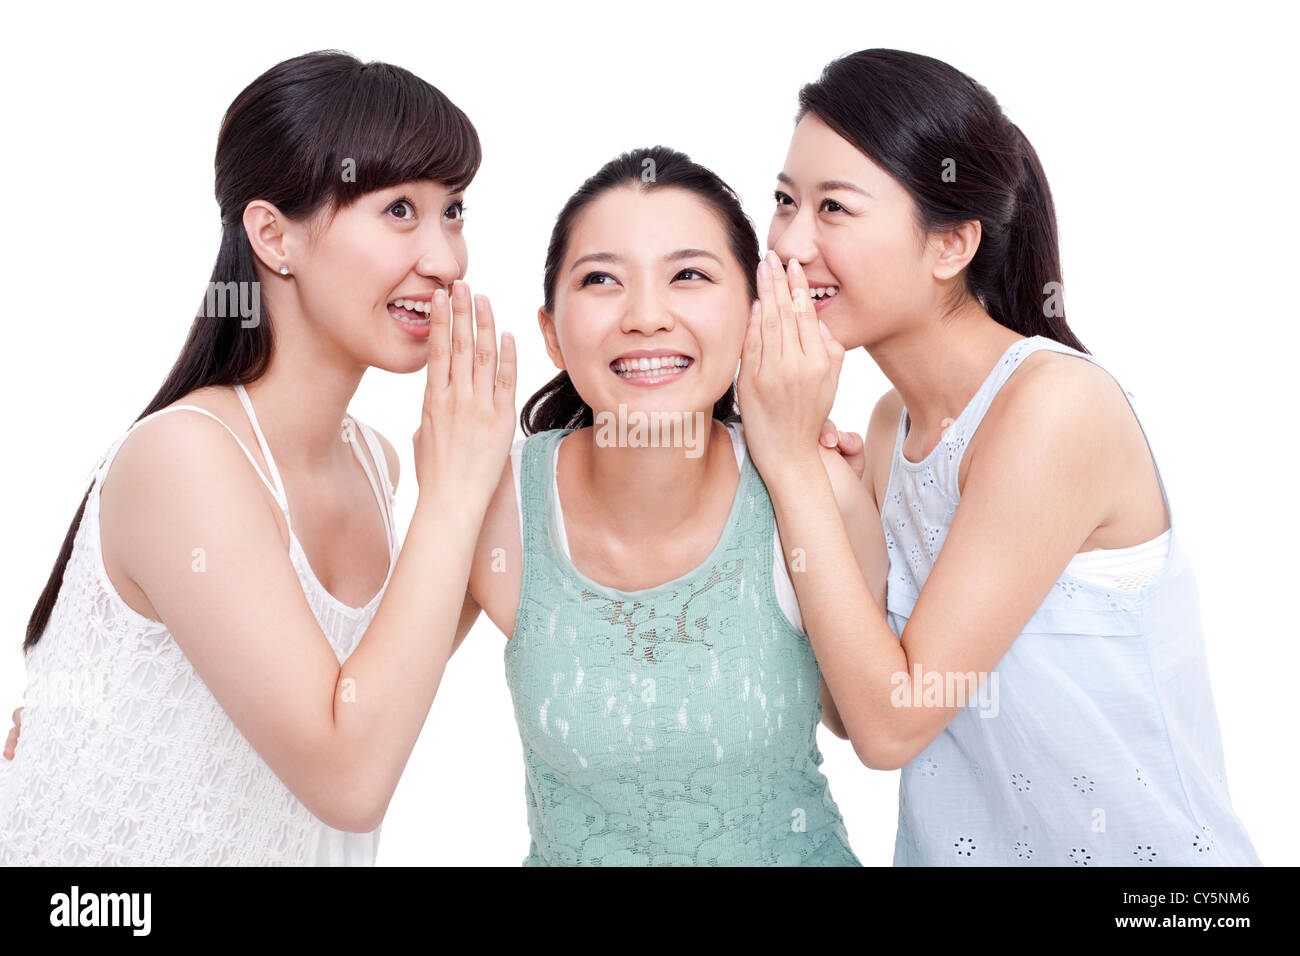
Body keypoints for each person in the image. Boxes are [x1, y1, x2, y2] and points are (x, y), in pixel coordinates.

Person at [738, 48, 1261, 865]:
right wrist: (829, 494)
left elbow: (891, 726)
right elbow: (851, 702)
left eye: (834, 207)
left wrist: (790, 464)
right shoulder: (886, 426)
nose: (791, 243)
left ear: (950, 247)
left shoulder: (1052, 407)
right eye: (784, 200)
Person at [0, 50, 516, 865]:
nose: (446, 261)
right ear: (274, 235)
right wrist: (454, 488)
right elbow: (349, 778)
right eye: (399, 212)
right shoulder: (186, 461)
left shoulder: (379, 466)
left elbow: (394, 684)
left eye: (453, 211)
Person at [463, 146, 883, 865]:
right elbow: (364, 719)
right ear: (550, 333)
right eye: (601, 279)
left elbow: (858, 719)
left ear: (756, 313)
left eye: (688, 275)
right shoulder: (491, 505)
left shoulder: (817, 488)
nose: (647, 316)